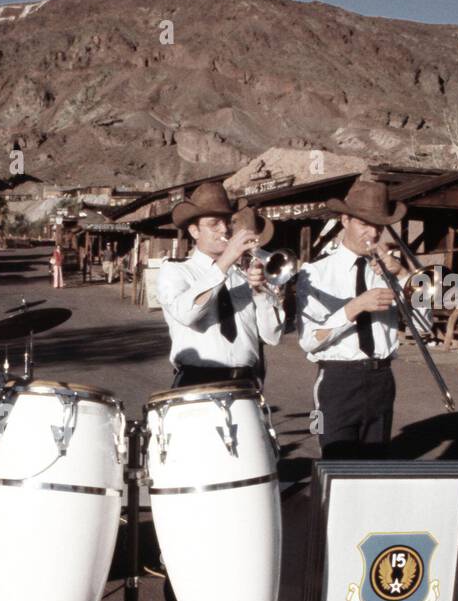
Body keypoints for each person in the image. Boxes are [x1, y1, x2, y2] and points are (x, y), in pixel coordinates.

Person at [296, 180, 407, 459]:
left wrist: (403, 275)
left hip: (382, 378)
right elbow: (309, 341)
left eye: (378, 226)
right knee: (334, 465)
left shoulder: (387, 268)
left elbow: (425, 324)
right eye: (364, 224)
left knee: (375, 470)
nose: (372, 233)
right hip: (336, 381)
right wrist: (354, 308)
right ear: (345, 220)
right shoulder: (316, 272)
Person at [157, 183, 283, 388]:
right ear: (194, 231)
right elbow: (187, 314)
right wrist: (225, 261)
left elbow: (273, 336)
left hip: (245, 384)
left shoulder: (242, 277)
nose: (224, 229)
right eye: (214, 223)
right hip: (197, 381)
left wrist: (260, 292)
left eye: (226, 222)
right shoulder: (175, 271)